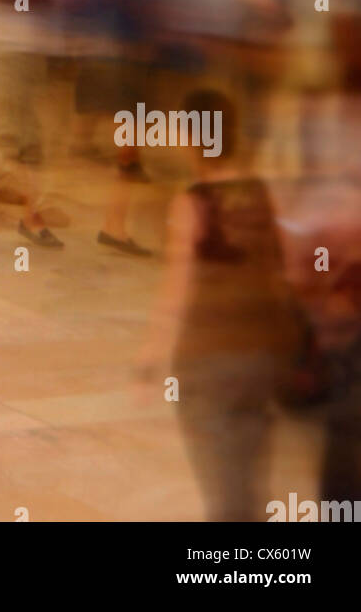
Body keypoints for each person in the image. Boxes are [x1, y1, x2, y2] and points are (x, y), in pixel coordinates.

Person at [138, 90, 301, 522]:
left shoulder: (192, 204)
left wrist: (150, 358)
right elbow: (284, 270)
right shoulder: (264, 191)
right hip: (263, 354)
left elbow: (176, 290)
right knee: (250, 470)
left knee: (222, 481)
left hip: (208, 360)